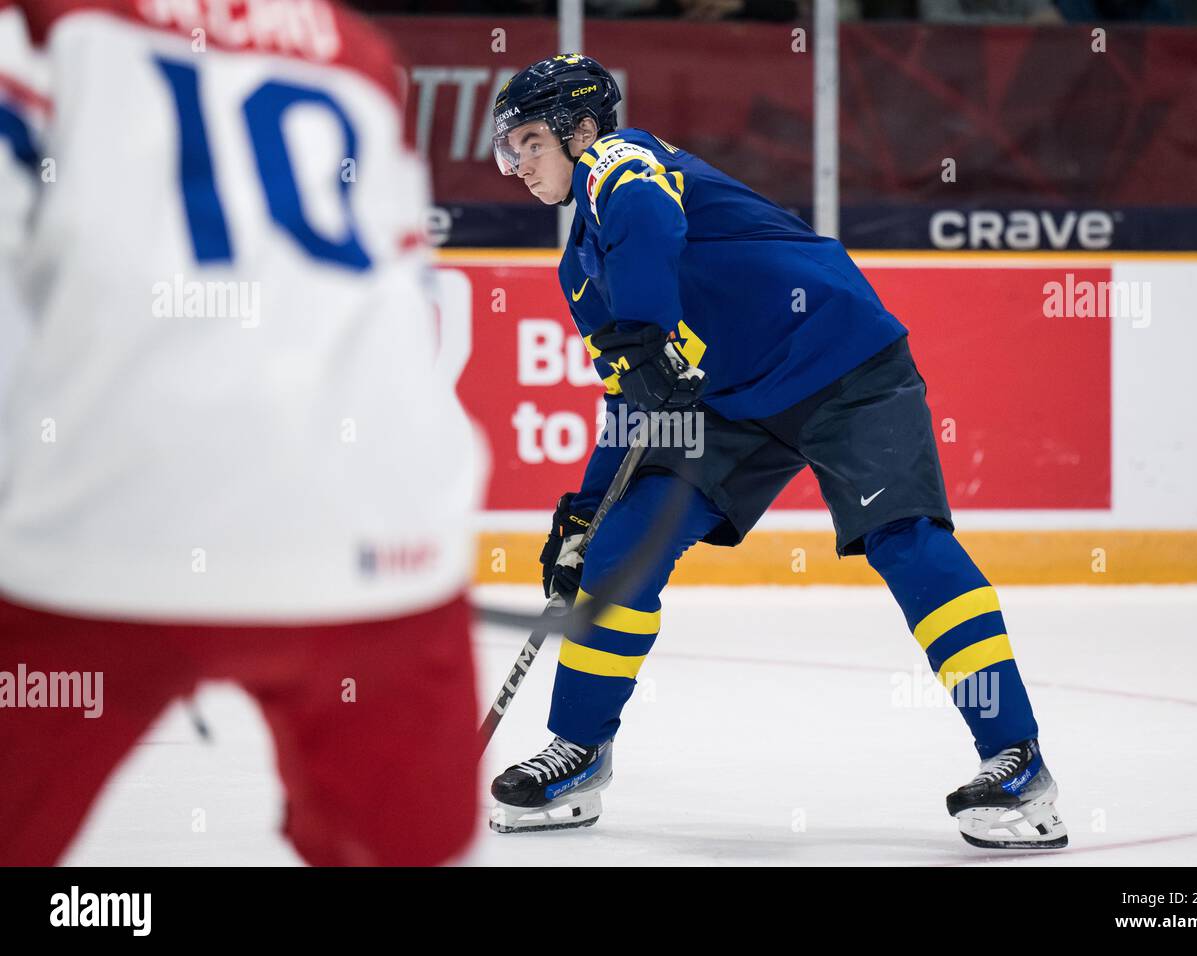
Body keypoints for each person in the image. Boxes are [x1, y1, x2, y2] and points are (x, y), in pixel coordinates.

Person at [486, 53, 1067, 849]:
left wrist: (652, 331)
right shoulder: (578, 270)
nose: (516, 165)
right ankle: (579, 755)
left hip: (839, 359)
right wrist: (585, 512)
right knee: (619, 550)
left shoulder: (624, 164)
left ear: (581, 131)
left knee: (909, 543)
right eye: (506, 150)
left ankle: (1016, 760)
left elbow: (649, 225)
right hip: (724, 406)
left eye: (528, 143)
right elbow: (632, 399)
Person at [0, 0, 484, 866]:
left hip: (95, 535)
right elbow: (411, 309)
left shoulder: (40, 22)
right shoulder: (357, 52)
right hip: (381, 550)